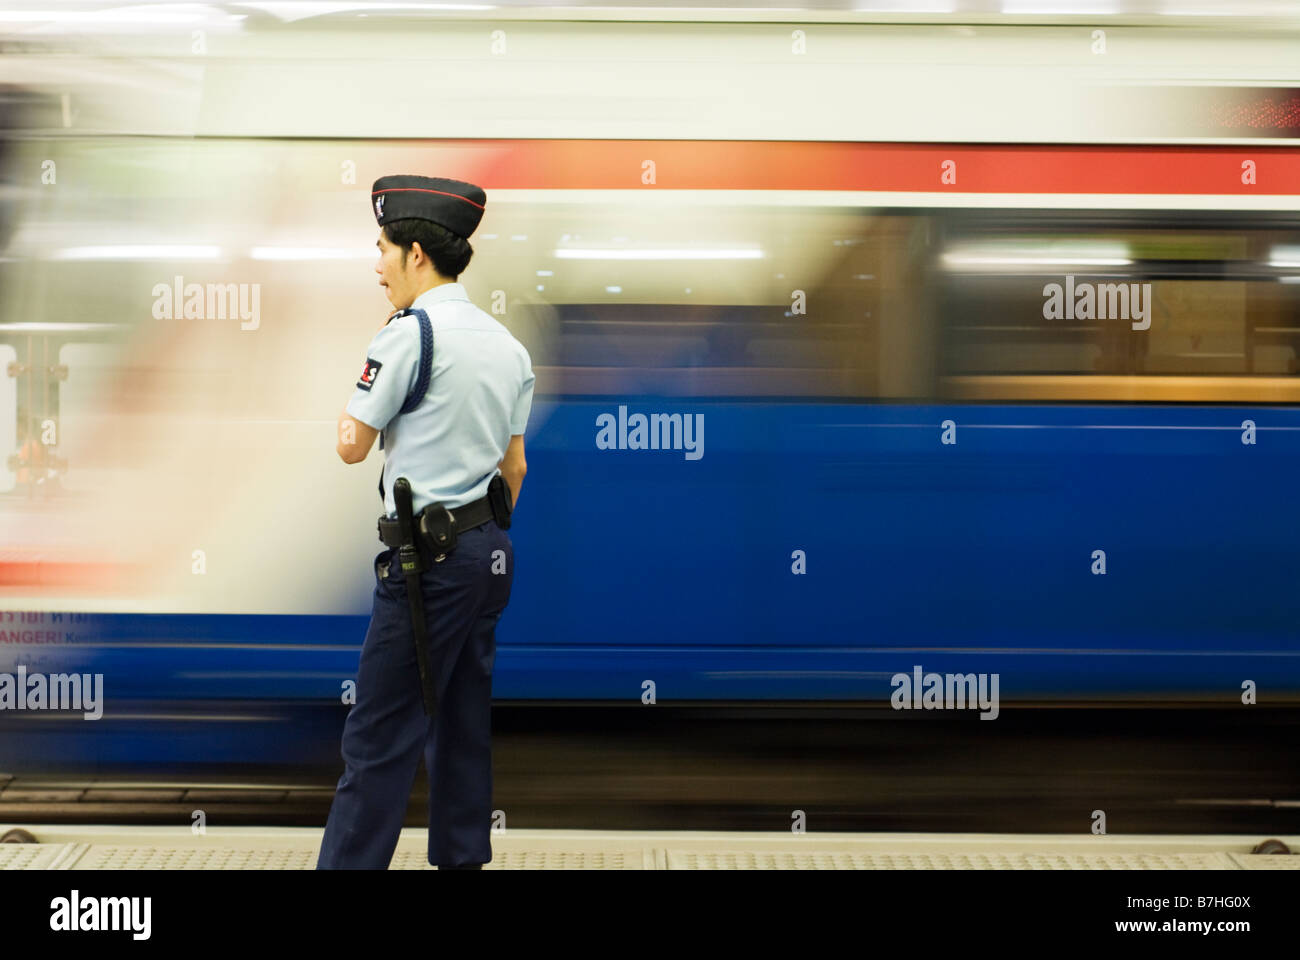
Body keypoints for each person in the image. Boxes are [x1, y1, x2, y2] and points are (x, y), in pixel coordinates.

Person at [317, 175, 534, 870]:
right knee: (462, 724)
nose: (376, 266)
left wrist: (359, 393)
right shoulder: (508, 346)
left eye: (381, 249)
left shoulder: (409, 338)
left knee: (378, 734)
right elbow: (515, 471)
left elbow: (351, 446)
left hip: (425, 566)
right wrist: (477, 536)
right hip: (487, 556)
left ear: (415, 253)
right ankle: (463, 860)